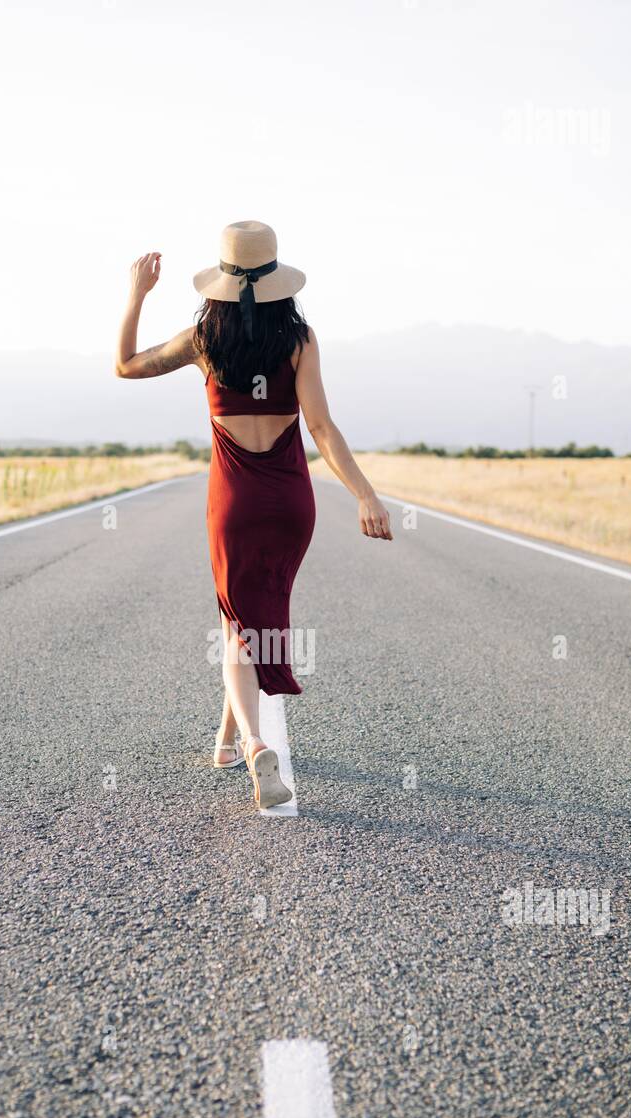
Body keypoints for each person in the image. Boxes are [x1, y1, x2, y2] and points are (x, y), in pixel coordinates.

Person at [116, 220, 392, 810]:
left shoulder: (202, 340)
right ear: (278, 281)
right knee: (248, 616)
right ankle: (224, 740)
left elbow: (127, 365)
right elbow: (320, 427)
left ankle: (251, 744)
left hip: (235, 503)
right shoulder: (300, 340)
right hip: (292, 503)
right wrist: (365, 494)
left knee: (238, 626)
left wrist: (138, 293)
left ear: (219, 279)